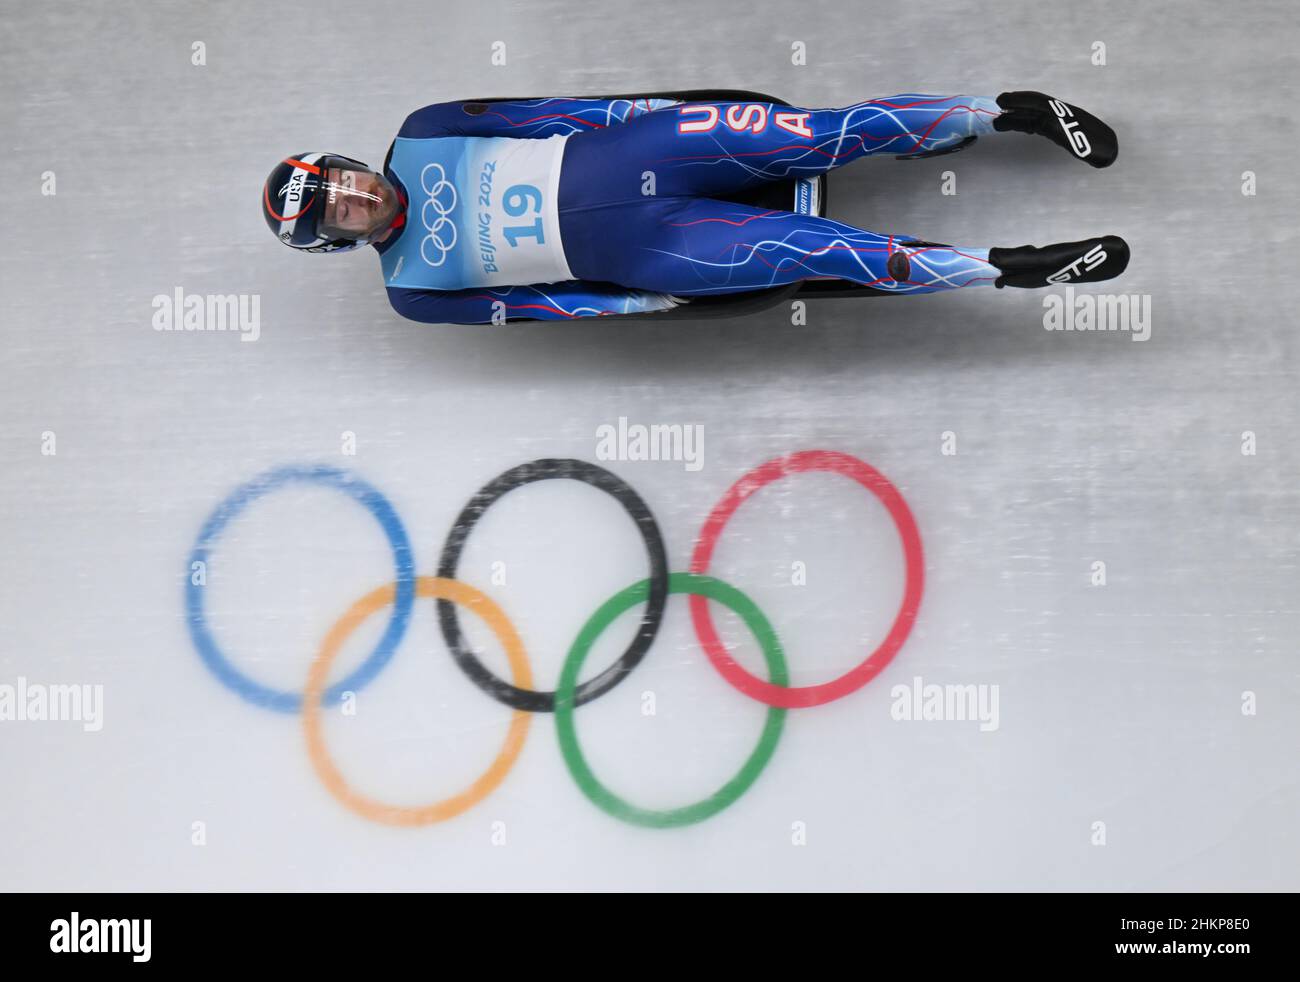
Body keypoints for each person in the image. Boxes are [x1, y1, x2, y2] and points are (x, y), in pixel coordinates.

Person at [261, 91, 1128, 323]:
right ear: (340, 241)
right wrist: (634, 307)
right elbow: (531, 308)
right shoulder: (413, 291)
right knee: (826, 251)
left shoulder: (422, 132)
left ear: (346, 164)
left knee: (822, 132)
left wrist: (644, 113)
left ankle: (1005, 112)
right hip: (654, 248)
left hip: (648, 148)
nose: (355, 195)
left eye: (340, 179)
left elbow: (543, 112)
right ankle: (1007, 271)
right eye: (338, 212)